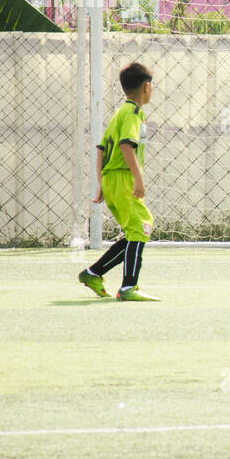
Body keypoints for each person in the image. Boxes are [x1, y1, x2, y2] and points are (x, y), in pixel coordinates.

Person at [78, 61, 159, 301]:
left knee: (135, 231)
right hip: (123, 179)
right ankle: (128, 288)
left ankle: (93, 273)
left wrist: (101, 183)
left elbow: (101, 148)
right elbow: (126, 145)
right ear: (146, 87)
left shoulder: (119, 113)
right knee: (142, 225)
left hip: (111, 180)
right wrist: (138, 179)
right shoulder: (133, 113)